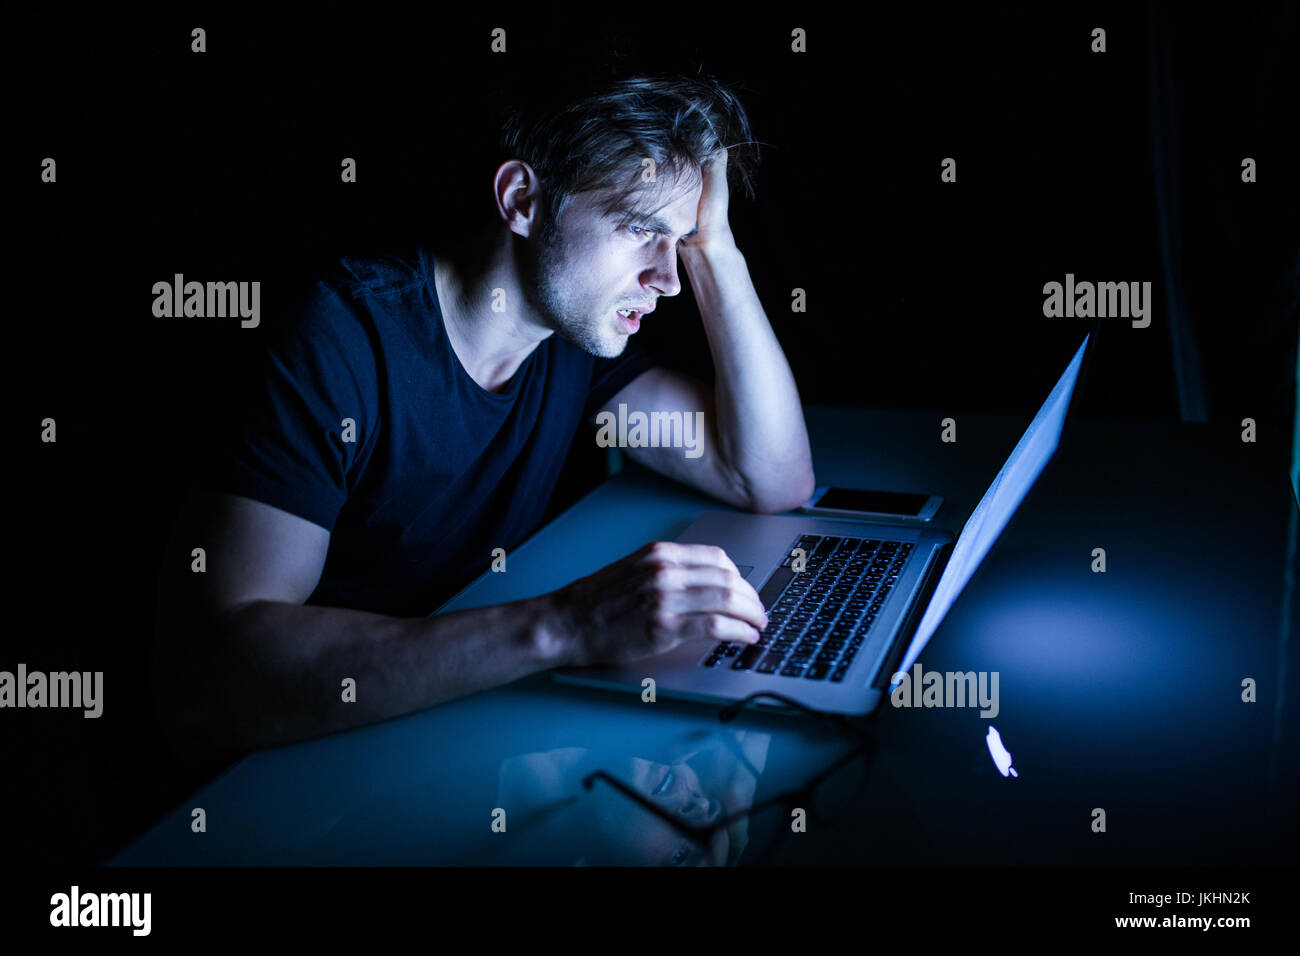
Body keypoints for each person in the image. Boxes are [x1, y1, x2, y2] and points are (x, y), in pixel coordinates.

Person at [152, 71, 815, 761]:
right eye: (640, 229)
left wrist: (717, 249)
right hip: (296, 779)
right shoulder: (342, 338)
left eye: (678, 242)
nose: (669, 279)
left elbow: (768, 477)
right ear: (522, 200)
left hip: (450, 735)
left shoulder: (573, 340)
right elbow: (207, 677)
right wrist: (565, 627)